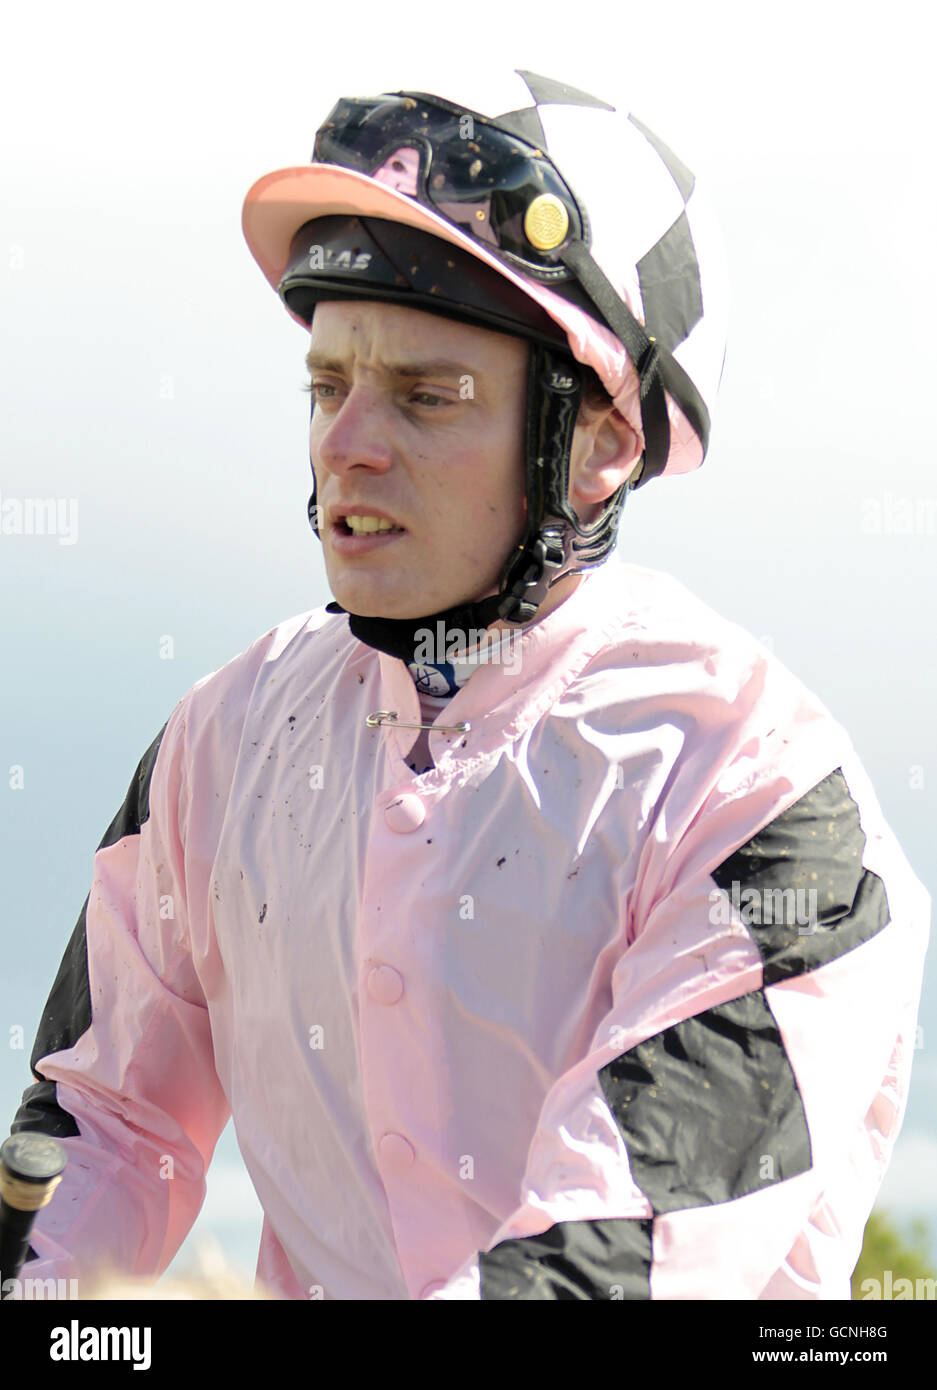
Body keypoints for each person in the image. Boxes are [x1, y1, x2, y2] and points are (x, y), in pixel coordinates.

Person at [7, 69, 929, 1301]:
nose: (348, 444)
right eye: (327, 386)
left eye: (427, 395)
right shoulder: (217, 739)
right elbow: (96, 1130)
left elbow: (603, 1271)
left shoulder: (765, 798)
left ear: (599, 439)